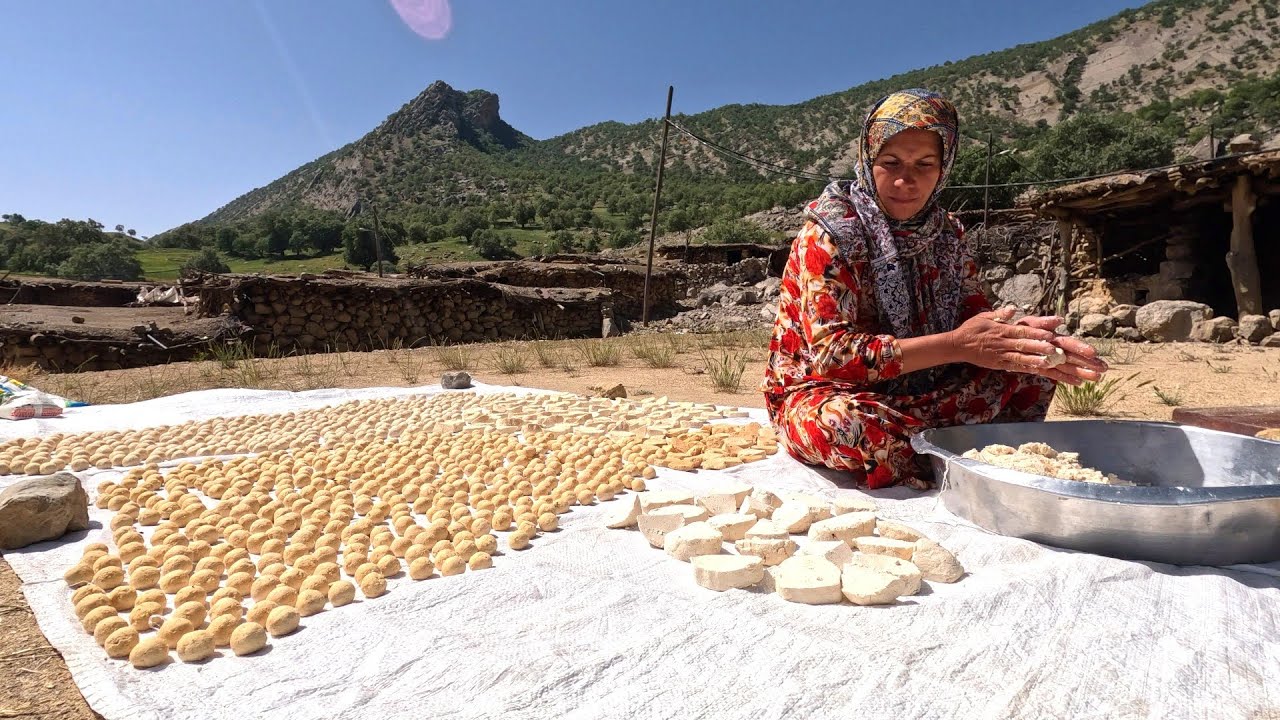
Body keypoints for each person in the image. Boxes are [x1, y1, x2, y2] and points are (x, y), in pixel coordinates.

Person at [762, 88, 1108, 490]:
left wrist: (1019, 337)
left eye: (924, 164)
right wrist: (958, 345)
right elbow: (834, 358)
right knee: (845, 424)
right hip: (831, 390)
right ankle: (955, 450)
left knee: (1031, 369)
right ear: (867, 160)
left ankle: (942, 451)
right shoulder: (830, 235)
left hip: (925, 385)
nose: (905, 180)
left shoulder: (946, 233)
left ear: (944, 167)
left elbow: (973, 315)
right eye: (890, 162)